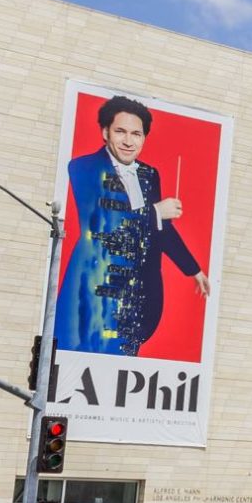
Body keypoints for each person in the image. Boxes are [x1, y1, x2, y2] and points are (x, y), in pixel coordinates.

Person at [54, 95, 210, 357]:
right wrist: (155, 211)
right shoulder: (83, 167)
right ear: (105, 132)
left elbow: (161, 230)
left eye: (136, 134)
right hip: (96, 289)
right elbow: (102, 223)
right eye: (120, 131)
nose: (128, 141)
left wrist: (193, 269)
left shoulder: (149, 174)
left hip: (139, 294)